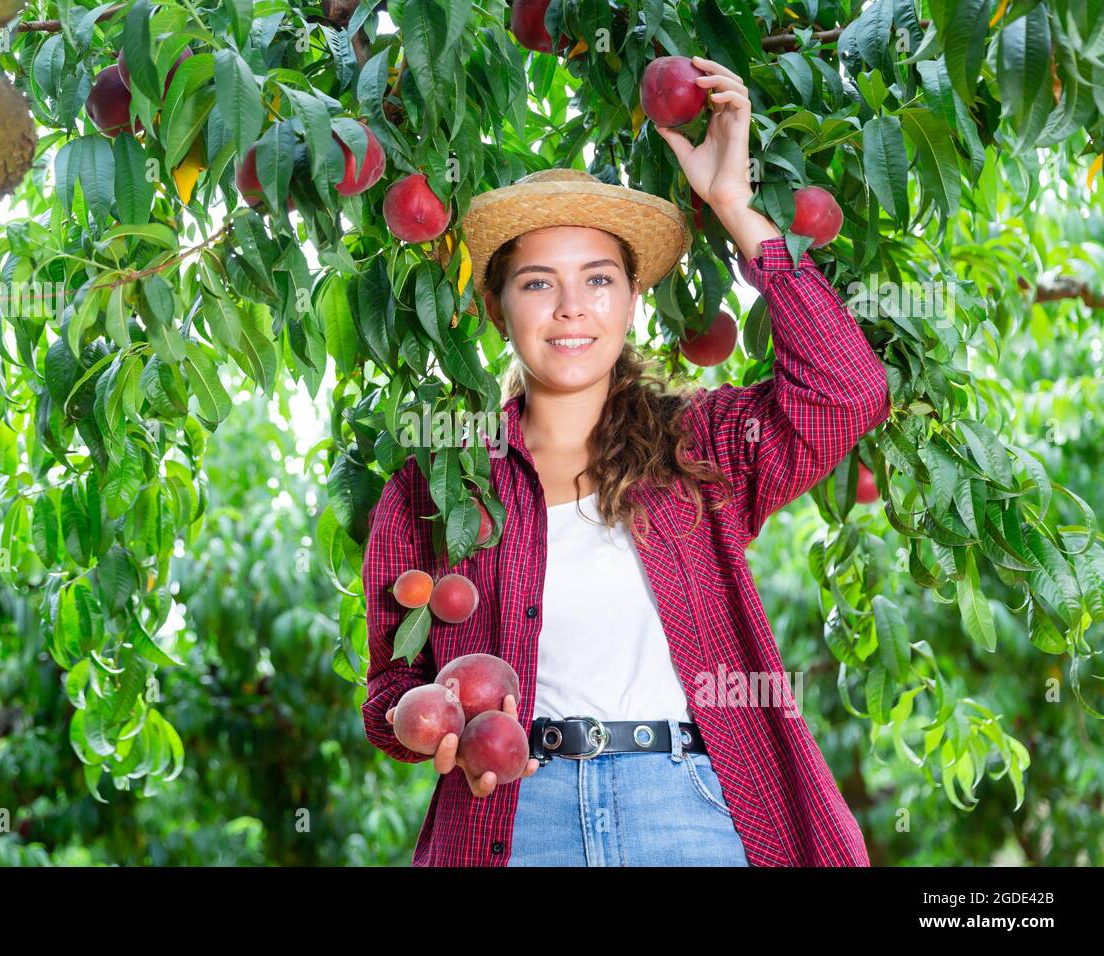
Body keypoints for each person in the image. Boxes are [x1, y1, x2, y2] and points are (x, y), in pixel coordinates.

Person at [361, 57, 890, 866]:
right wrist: (435, 723)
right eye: (538, 284)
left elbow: (846, 393)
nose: (572, 306)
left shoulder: (700, 449)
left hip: (685, 805)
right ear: (497, 311)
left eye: (598, 279)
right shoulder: (437, 487)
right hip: (514, 815)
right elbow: (389, 695)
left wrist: (735, 207)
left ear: (631, 301)